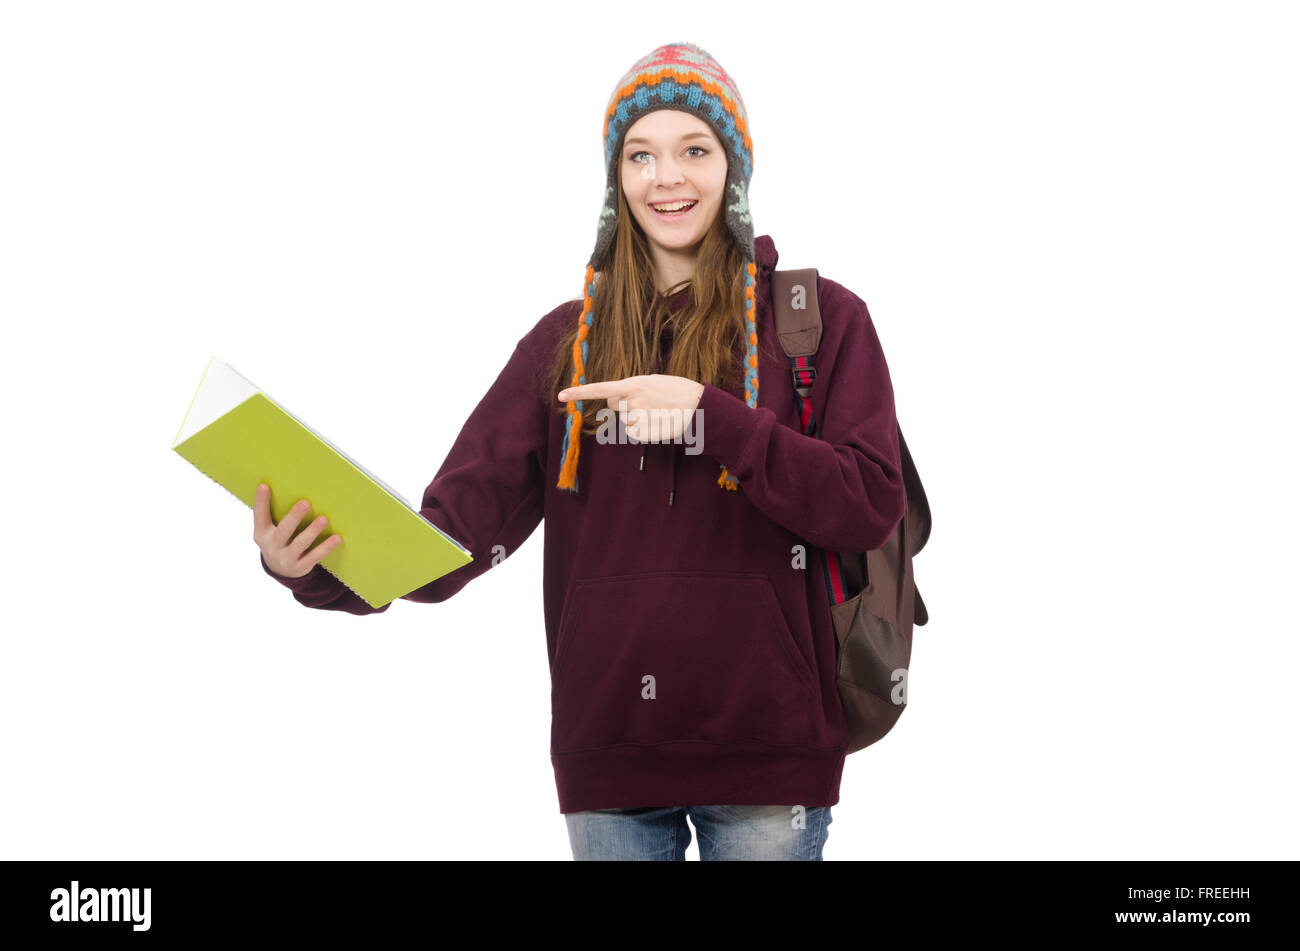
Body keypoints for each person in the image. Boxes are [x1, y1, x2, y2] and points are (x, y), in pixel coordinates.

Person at [255, 41, 906, 861]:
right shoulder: (563, 346)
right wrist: (317, 565)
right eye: (641, 155)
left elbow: (867, 501)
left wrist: (718, 419)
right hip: (610, 761)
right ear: (616, 177)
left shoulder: (820, 320)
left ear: (734, 168)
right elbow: (452, 533)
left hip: (770, 755)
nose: (667, 178)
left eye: (694, 150)